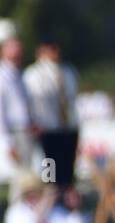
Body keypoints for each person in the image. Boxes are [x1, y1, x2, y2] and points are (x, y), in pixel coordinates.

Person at [23, 39, 78, 199]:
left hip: (67, 126)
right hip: (47, 127)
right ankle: (51, 195)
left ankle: (66, 194)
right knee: (50, 166)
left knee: (67, 166)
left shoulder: (67, 71)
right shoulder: (34, 74)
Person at [0, 28, 35, 181]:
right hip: (14, 132)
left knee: (27, 176)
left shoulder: (20, 75)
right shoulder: (3, 77)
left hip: (26, 132)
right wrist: (7, 142)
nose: (18, 51)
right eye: (13, 47)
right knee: (20, 178)